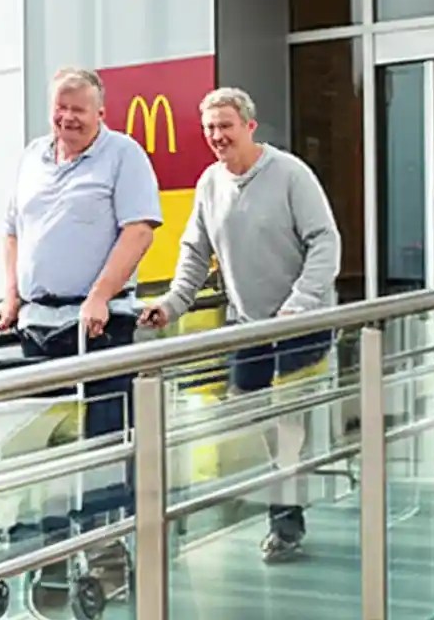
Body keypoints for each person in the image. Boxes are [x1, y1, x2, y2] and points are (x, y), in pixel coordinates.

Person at [140, 86, 341, 563]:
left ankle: (285, 525)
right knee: (255, 415)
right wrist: (172, 303)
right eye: (210, 128)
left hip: (301, 323)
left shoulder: (291, 174)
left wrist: (300, 303)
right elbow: (195, 252)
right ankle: (285, 493)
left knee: (287, 420)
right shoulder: (210, 183)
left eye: (225, 126)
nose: (217, 136)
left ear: (249, 126)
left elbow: (324, 241)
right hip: (248, 326)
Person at [0, 66, 161, 602]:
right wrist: (12, 296)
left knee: (102, 448)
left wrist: (101, 294)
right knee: (44, 450)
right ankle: (53, 555)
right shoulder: (33, 156)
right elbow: (14, 231)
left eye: (77, 110)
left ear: (100, 112)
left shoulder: (123, 155)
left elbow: (139, 230)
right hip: (39, 328)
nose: (66, 119)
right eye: (59, 109)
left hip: (98, 327)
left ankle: (109, 559)